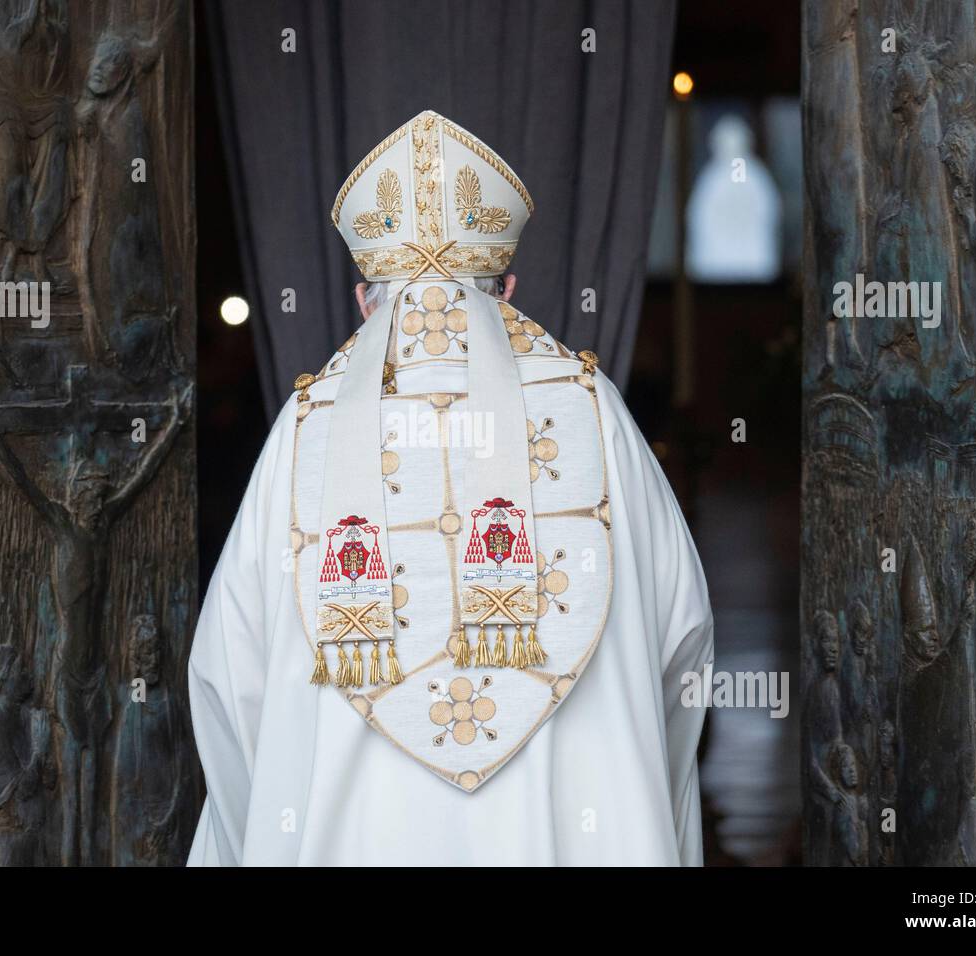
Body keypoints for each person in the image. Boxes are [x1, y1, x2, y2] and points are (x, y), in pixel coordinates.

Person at [187, 110, 713, 866]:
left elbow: (228, 680)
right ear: (507, 287)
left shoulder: (306, 427)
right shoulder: (595, 411)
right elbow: (683, 640)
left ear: (366, 299)